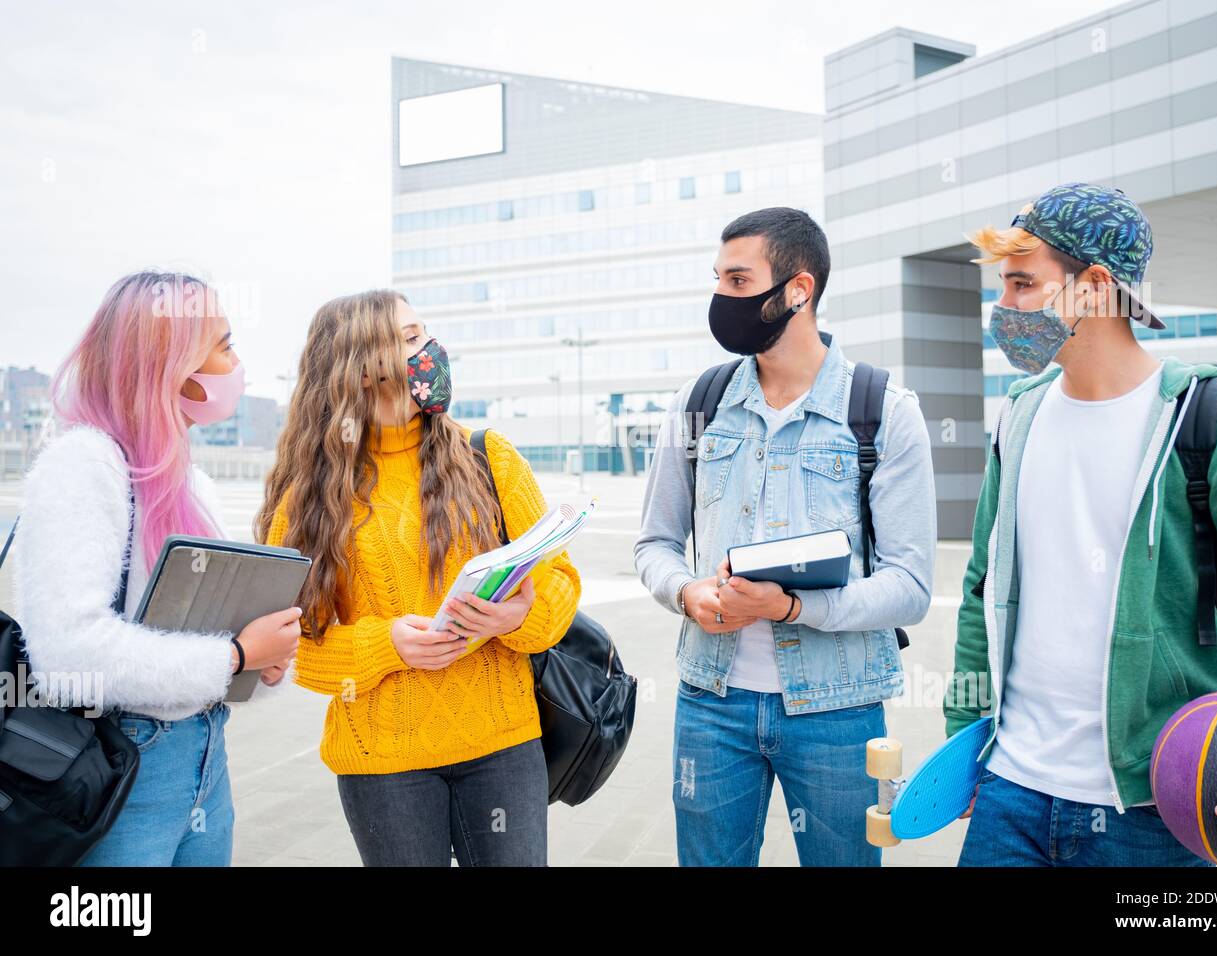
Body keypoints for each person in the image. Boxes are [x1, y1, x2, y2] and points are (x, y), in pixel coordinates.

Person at [946, 182, 1217, 867]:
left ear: (1095, 287)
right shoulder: (1018, 417)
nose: (1004, 307)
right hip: (1008, 794)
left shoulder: (1210, 419)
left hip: (1159, 809)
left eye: (1022, 283)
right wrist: (966, 731)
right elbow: (979, 587)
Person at [634, 207, 936, 866]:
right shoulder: (700, 404)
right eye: (717, 279)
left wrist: (794, 608)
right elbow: (653, 544)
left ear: (798, 290)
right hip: (710, 706)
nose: (721, 298)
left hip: (839, 711)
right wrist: (685, 591)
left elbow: (910, 587)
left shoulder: (884, 411)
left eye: (738, 281)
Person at [255, 289, 580, 866]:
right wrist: (388, 645)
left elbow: (559, 580)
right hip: (384, 762)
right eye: (408, 339)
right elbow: (292, 646)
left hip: (503, 745)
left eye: (423, 333)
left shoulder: (488, 456)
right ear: (361, 364)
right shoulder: (307, 499)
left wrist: (519, 616)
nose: (428, 350)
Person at [14, 270, 300, 866]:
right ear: (168, 362)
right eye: (222, 345)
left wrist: (260, 664)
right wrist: (235, 657)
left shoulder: (192, 483)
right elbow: (68, 656)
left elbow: (202, 637)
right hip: (119, 765)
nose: (237, 364)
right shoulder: (85, 467)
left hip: (204, 756)